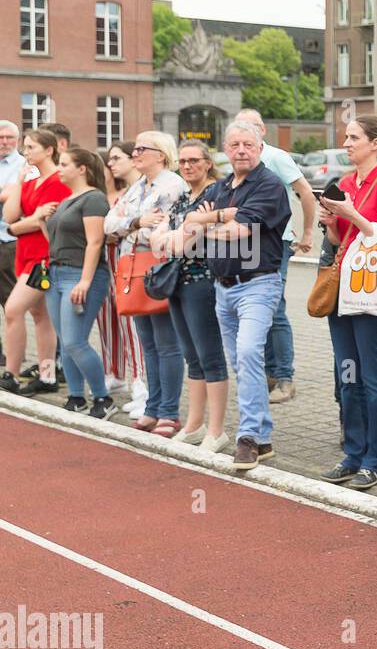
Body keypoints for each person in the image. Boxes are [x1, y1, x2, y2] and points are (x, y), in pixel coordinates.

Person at [176, 120, 291, 471]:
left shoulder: (269, 185)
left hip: (258, 283)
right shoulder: (223, 186)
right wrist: (217, 219)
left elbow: (242, 231)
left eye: (248, 145)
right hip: (221, 286)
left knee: (247, 353)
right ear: (225, 150)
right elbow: (189, 225)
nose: (241, 150)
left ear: (259, 148)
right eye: (235, 145)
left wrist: (213, 220)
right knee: (243, 364)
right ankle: (263, 435)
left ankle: (248, 437)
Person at [317, 116, 377, 491]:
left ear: (376, 143)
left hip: (373, 294)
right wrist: (330, 222)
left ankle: (376, 460)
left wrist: (351, 213)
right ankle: (353, 454)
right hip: (345, 290)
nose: (346, 142)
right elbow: (341, 241)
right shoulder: (345, 183)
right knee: (348, 375)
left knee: (373, 377)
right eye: (346, 136)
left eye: (354, 137)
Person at [104, 131, 187, 437]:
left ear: (161, 155)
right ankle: (153, 407)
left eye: (141, 149)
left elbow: (161, 227)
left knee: (167, 343)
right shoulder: (138, 186)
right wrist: (138, 222)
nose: (134, 153)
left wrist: (129, 225)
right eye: (135, 149)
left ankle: (169, 411)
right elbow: (108, 223)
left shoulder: (172, 185)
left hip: (158, 266)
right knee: (148, 343)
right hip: (134, 267)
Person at [150, 140, 228, 452]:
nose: (187, 166)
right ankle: (194, 424)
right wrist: (174, 234)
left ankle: (217, 429)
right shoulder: (184, 196)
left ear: (208, 163)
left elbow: (184, 243)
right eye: (182, 161)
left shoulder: (217, 193)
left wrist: (174, 235)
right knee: (191, 354)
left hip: (203, 280)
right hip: (177, 280)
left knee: (210, 354)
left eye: (194, 160)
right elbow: (156, 237)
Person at [237, 109, 317, 405]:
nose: (245, 135)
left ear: (263, 132)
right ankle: (268, 373)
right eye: (240, 128)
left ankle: (284, 377)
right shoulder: (240, 159)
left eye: (253, 127)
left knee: (275, 307)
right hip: (245, 244)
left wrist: (307, 232)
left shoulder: (276, 157)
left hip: (276, 243)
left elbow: (306, 193)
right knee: (254, 307)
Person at [43, 147, 115, 418]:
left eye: (64, 164)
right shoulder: (67, 200)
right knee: (65, 338)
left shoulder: (94, 199)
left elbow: (95, 242)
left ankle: (103, 398)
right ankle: (76, 396)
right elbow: (57, 241)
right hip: (57, 273)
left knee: (75, 341)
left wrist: (85, 280)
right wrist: (43, 220)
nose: (59, 169)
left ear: (82, 168)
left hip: (81, 274)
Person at [1, 129, 68, 395]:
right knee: (41, 316)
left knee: (13, 310)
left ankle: (12, 373)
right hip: (25, 254)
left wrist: (21, 226)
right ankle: (48, 375)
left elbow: (48, 221)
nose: (25, 153)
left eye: (30, 148)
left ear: (49, 150)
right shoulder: (30, 182)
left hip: (44, 257)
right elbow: (9, 217)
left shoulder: (59, 181)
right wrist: (18, 182)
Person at [100, 140, 146, 411]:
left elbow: (121, 227)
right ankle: (114, 372)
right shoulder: (123, 193)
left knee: (133, 325)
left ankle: (140, 382)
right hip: (112, 260)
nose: (111, 163)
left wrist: (122, 226)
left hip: (132, 262)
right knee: (109, 320)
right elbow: (108, 227)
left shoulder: (141, 190)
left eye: (117, 158)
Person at [0, 120, 26, 366]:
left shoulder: (23, 165)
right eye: (1, 138)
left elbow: (14, 195)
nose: (5, 142)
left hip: (9, 240)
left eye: (10, 137)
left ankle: (14, 358)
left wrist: (8, 192)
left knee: (11, 303)